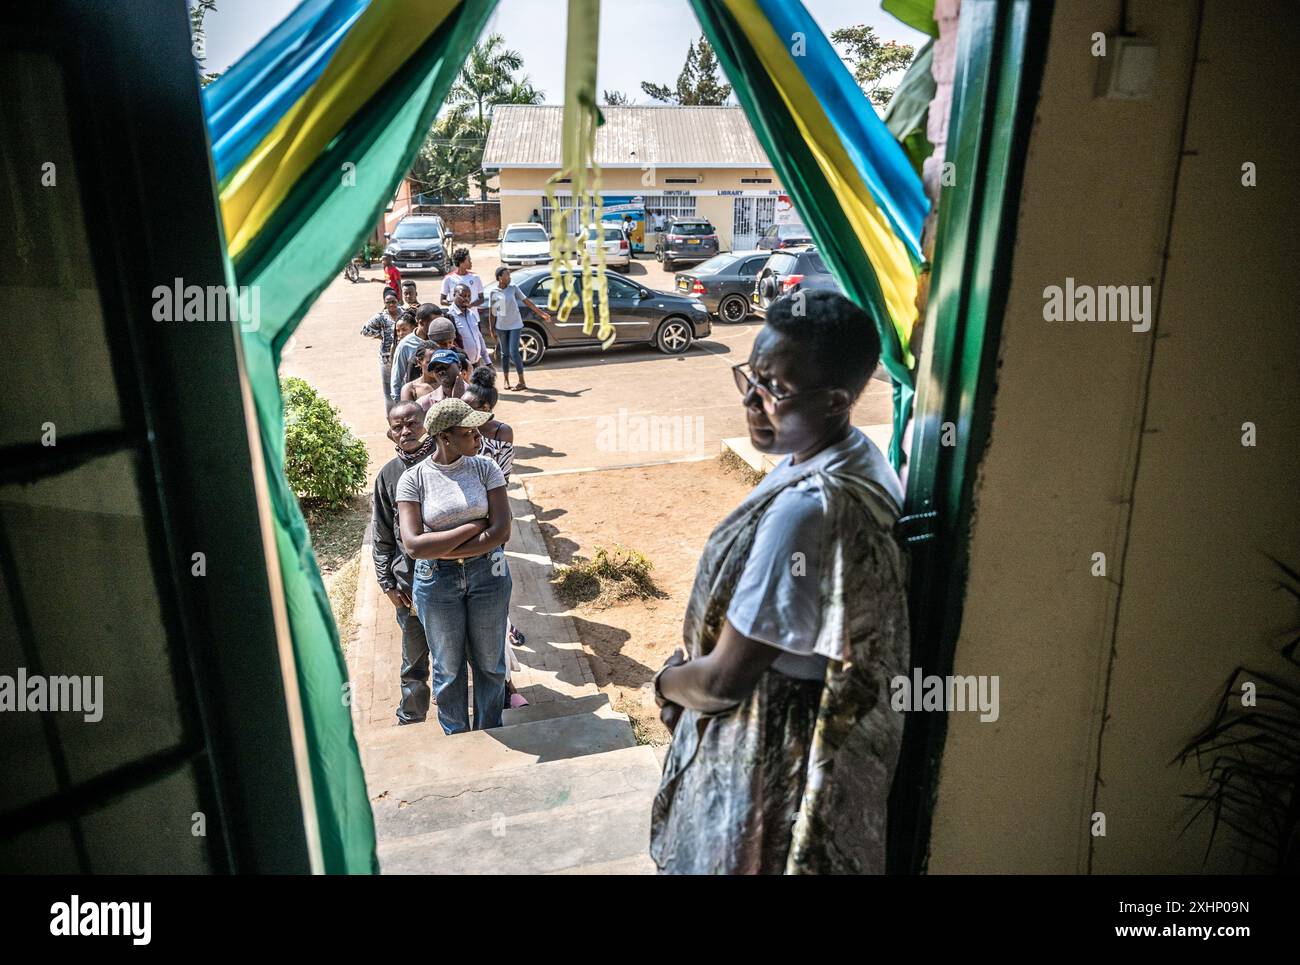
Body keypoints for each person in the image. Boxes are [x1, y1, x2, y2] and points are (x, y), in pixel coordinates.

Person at [648, 290, 910, 875]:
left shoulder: (807, 511)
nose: (750, 399)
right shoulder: (854, 457)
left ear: (838, 400)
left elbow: (722, 682)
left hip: (765, 755)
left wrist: (666, 685)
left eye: (774, 389)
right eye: (750, 375)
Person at [397, 398, 513, 733]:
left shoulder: (486, 468)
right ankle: (457, 736)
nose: (478, 438)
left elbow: (502, 531)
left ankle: (491, 729)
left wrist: (443, 542)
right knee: (448, 668)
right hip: (436, 584)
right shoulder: (414, 480)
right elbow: (414, 544)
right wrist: (474, 527)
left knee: (490, 664)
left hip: (488, 575)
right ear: (446, 438)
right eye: (469, 432)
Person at [463, 368, 528, 710]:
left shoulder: (501, 435)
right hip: (467, 527)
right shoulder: (458, 433)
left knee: (494, 589)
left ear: (487, 407)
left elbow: (498, 480)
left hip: (490, 526)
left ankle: (505, 681)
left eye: (471, 407)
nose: (465, 414)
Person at [372, 401, 437, 724]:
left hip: (451, 581)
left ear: (426, 423)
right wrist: (387, 584)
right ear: (391, 433)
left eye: (412, 423)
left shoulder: (445, 460)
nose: (406, 431)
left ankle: (481, 712)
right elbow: (382, 535)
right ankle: (411, 718)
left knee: (469, 652)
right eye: (398, 427)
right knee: (414, 662)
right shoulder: (388, 476)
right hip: (409, 589)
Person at [488, 265, 549, 391]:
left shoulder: (513, 288)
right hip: (501, 327)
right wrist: (491, 329)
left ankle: (522, 381)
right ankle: (506, 380)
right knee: (504, 354)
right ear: (500, 278)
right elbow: (493, 312)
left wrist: (541, 313)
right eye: (507, 275)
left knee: (514, 352)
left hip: (515, 325)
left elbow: (527, 301)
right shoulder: (494, 292)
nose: (509, 277)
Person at [391, 303, 445, 400]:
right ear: (421, 323)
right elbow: (397, 379)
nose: (438, 326)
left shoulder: (441, 340)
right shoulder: (405, 345)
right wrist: (402, 405)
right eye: (434, 323)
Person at [360, 291, 403, 408]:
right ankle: (392, 420)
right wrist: (380, 335)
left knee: (403, 387)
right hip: (387, 358)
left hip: (403, 356)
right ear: (384, 303)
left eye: (393, 302)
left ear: (398, 301)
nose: (391, 305)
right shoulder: (381, 317)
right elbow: (364, 330)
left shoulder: (404, 314)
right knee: (389, 392)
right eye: (388, 302)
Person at [402, 346, 466, 409]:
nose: (441, 372)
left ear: (459, 366)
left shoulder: (473, 396)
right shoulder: (424, 404)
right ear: (419, 362)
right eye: (436, 369)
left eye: (445, 366)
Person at [446, 283, 489, 370]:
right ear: (454, 295)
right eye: (463, 295)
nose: (467, 298)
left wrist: (488, 362)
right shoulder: (449, 315)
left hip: (476, 364)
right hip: (460, 366)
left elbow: (479, 338)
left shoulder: (471, 314)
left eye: (469, 296)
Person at [440, 246, 484, 314]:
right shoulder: (448, 279)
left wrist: (471, 305)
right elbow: (442, 300)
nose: (471, 262)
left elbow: (481, 299)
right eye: (468, 260)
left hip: (474, 316)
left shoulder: (475, 278)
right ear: (461, 262)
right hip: (455, 316)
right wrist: (456, 304)